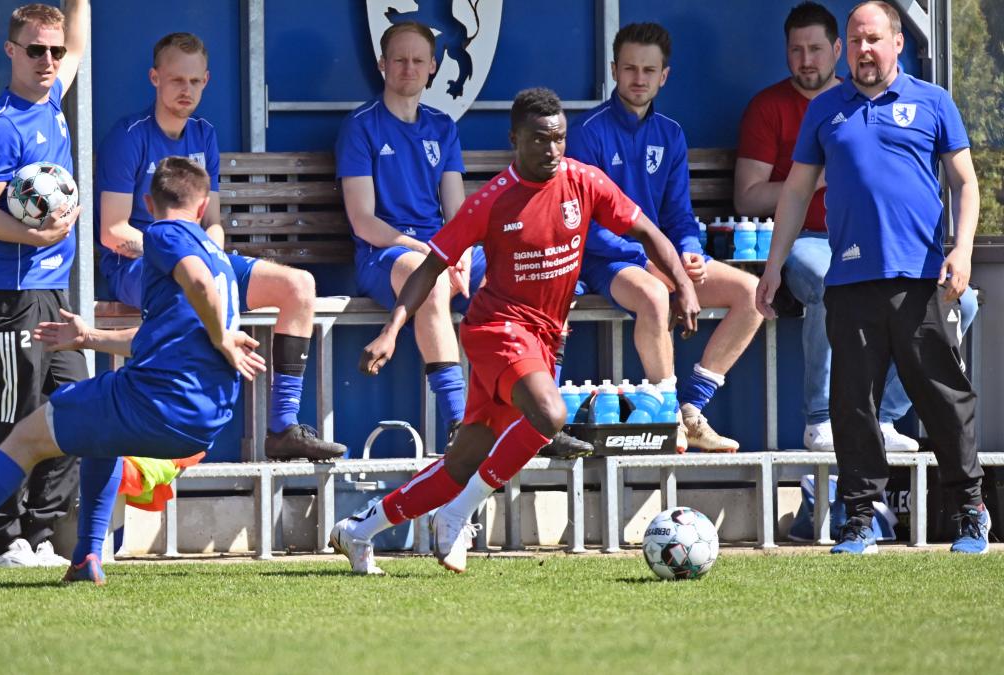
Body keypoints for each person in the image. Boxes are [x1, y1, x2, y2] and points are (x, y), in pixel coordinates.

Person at [329, 88, 700, 574]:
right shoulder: (491, 201)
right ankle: (458, 515)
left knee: (463, 462)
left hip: (542, 338)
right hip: (496, 329)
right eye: (540, 140)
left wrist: (682, 288)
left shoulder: (584, 181)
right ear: (514, 139)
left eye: (560, 139)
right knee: (549, 413)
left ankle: (358, 530)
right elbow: (430, 268)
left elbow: (648, 231)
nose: (552, 151)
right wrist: (393, 328)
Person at [0, 157, 267, 586]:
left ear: (147, 202)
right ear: (203, 208)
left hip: (156, 404)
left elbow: (196, 284)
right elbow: (163, 335)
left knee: (23, 439)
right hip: (202, 423)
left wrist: (221, 336)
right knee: (99, 435)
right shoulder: (218, 257)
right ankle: (87, 558)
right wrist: (88, 337)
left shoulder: (164, 233)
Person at [756, 1, 990, 554]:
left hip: (921, 279)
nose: (864, 49)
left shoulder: (932, 102)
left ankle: (969, 513)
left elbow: (966, 183)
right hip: (851, 280)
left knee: (943, 398)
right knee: (852, 405)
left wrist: (962, 250)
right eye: (855, 40)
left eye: (873, 39)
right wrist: (772, 266)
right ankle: (859, 519)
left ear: (897, 42)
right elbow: (793, 191)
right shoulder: (826, 110)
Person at [96, 32, 343, 462]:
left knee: (299, 286)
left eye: (194, 81)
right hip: (140, 266)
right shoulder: (129, 135)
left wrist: (208, 253)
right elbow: (113, 231)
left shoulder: (203, 135)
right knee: (193, 292)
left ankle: (283, 428)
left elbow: (213, 222)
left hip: (200, 261)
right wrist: (183, 256)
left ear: (207, 81)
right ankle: (171, 433)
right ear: (155, 78)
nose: (185, 90)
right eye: (175, 80)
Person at [566, 23, 763, 453]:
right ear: (615, 70)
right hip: (606, 261)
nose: (639, 79)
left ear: (664, 76)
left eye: (649, 70)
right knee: (655, 296)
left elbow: (679, 214)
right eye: (631, 68)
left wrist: (689, 252)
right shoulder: (587, 132)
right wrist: (658, 261)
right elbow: (585, 227)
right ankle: (667, 415)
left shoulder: (670, 133)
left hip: (663, 259)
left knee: (752, 293)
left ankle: (692, 410)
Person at [338, 21, 532, 455]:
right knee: (432, 282)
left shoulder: (442, 126)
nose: (408, 68)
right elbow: (363, 220)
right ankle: (459, 423)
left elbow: (458, 212)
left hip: (440, 252)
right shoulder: (360, 127)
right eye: (400, 60)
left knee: (520, 276)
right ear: (382, 65)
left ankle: (535, 416)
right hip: (387, 256)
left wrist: (459, 249)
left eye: (418, 61)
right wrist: (431, 252)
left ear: (432, 69)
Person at [0, 2, 89, 568]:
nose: (47, 60)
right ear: (11, 50)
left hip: (52, 291)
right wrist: (36, 239)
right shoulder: (0, 125)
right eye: (34, 49)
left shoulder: (52, 96)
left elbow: (80, 42)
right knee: (13, 413)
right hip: (12, 295)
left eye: (53, 51)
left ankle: (39, 535)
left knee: (77, 409)